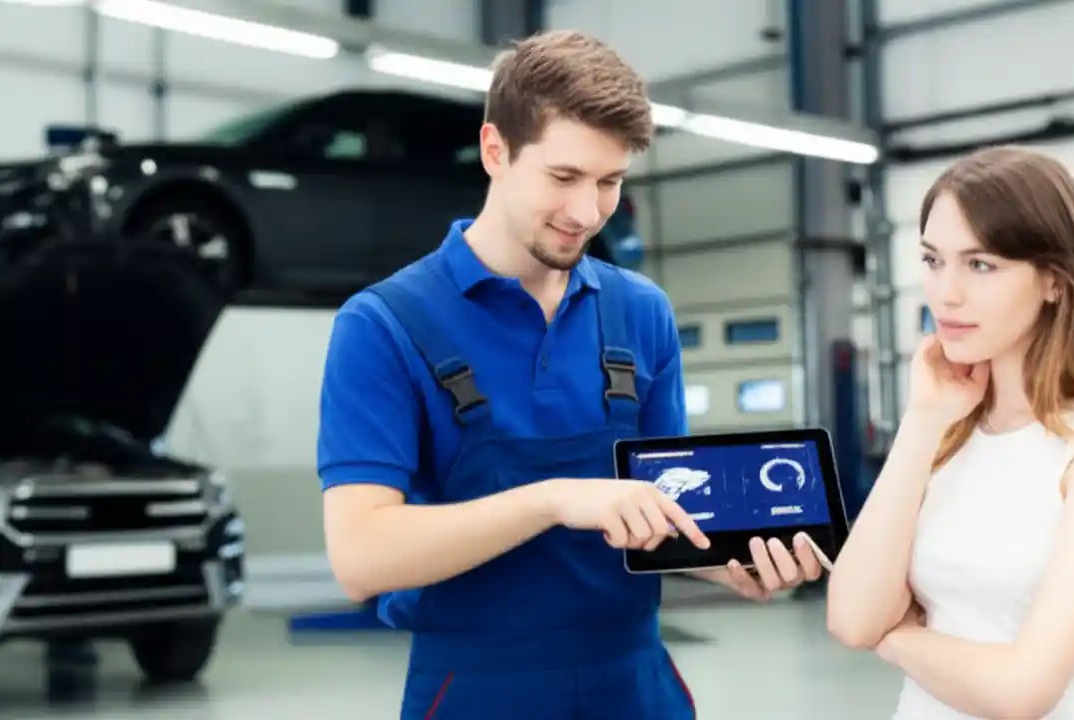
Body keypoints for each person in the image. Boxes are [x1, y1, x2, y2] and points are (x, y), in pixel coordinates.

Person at [316, 29, 825, 720]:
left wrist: (734, 565)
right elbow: (362, 558)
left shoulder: (640, 312)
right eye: (563, 177)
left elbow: (666, 518)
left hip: (637, 688)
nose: (587, 213)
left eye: (609, 181)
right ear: (495, 150)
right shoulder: (382, 326)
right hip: (476, 692)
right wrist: (552, 499)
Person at [825, 145, 1074, 719]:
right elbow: (848, 615)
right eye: (932, 259)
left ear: (1054, 281)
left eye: (981, 265)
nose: (946, 294)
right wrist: (922, 421)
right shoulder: (945, 430)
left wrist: (891, 636)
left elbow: (1022, 691)